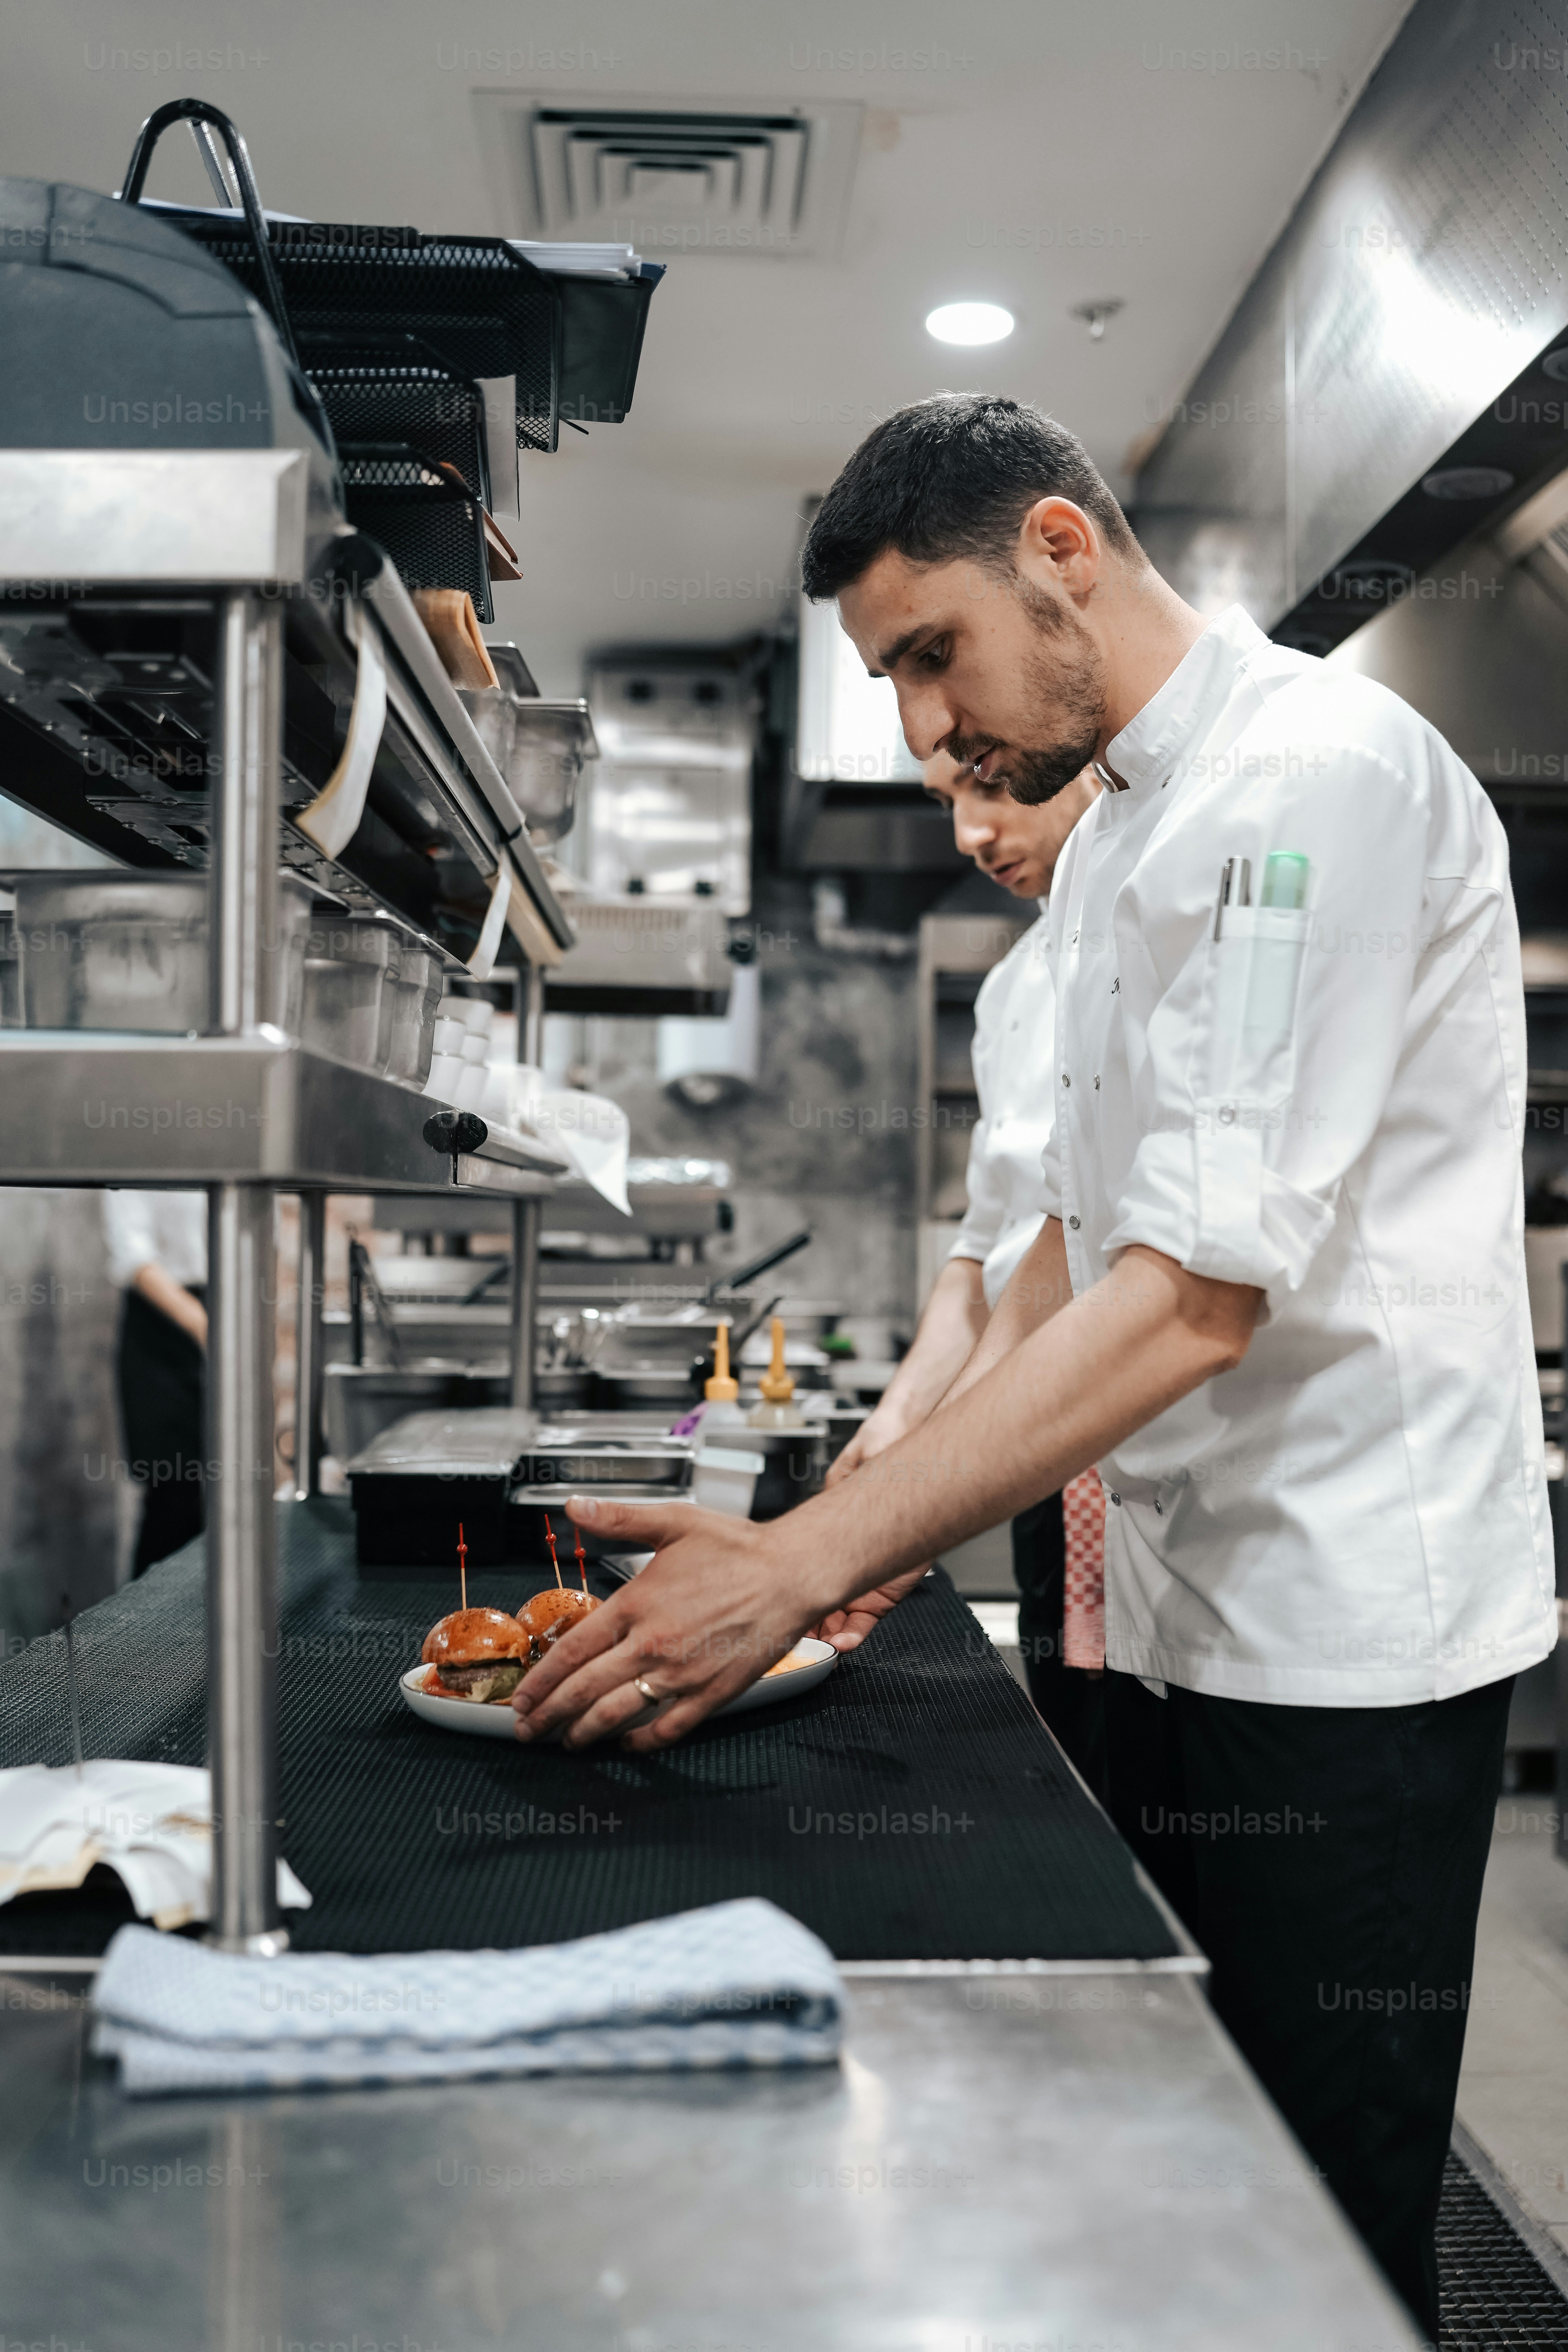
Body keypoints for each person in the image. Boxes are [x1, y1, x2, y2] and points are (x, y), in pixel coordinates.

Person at [515, 394, 1555, 2340]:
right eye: (896, 678)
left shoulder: (1310, 779)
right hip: (1166, 1605)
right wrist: (862, 1519)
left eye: (934, 655)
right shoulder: (1119, 854)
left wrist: (805, 1564)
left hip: (1339, 1628)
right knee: (1177, 2145)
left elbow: (1191, 1300)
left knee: (1319, 2208)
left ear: (1062, 552)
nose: (926, 731)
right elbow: (1056, 1252)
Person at [826, 749, 1106, 1791]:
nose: (968, 836)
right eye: (947, 804)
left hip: (1110, 1425)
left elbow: (1079, 1239)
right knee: (1083, 1772)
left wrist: (921, 1483)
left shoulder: (1147, 940)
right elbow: (984, 1244)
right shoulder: (1011, 989)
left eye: (989, 788)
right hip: (1047, 1475)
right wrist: (898, 1423)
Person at [101, 1191, 207, 1574]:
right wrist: (201, 1323)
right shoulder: (138, 1147)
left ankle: (219, 1617)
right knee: (173, 1493)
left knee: (228, 1487)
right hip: (159, 1324)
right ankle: (148, 1630)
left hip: (224, 1305)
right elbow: (132, 1252)